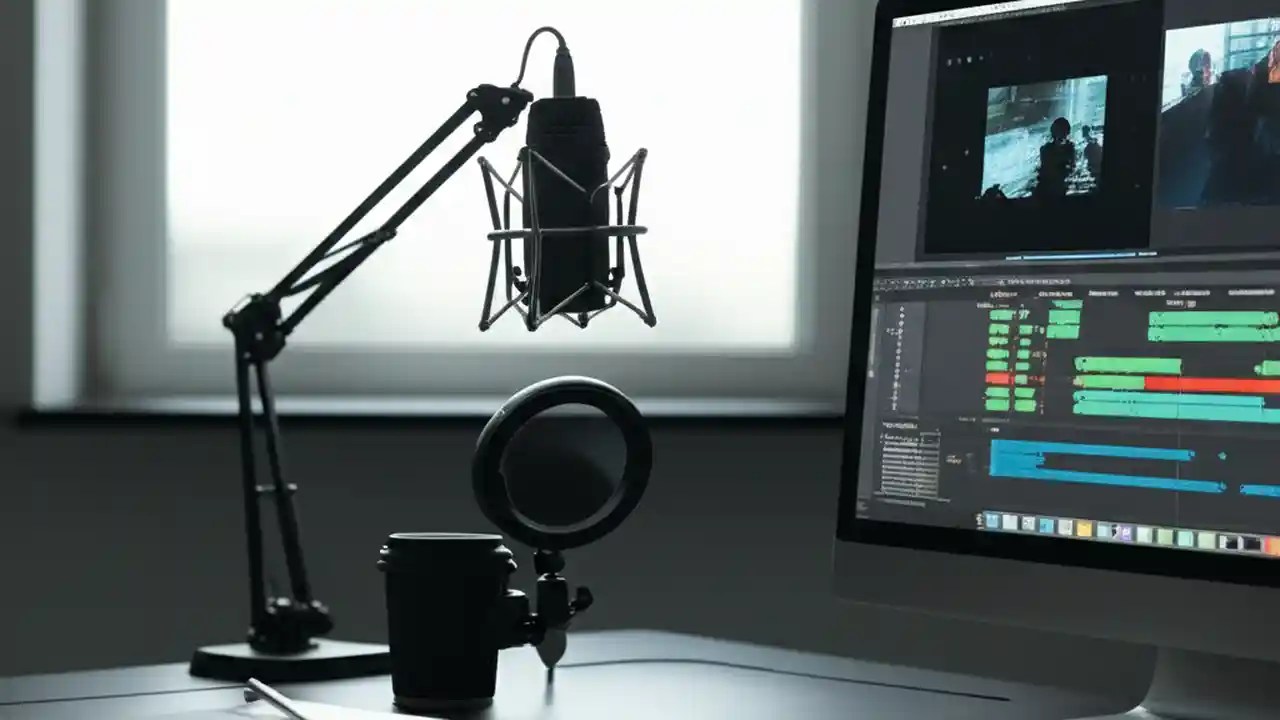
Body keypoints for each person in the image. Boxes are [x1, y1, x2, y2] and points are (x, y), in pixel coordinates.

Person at [1034, 117, 1075, 198]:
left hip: (1055, 188)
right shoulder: (1045, 149)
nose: (1063, 135)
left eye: (1063, 132)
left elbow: (1071, 167)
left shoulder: (1069, 148)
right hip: (1046, 189)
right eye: (1061, 132)